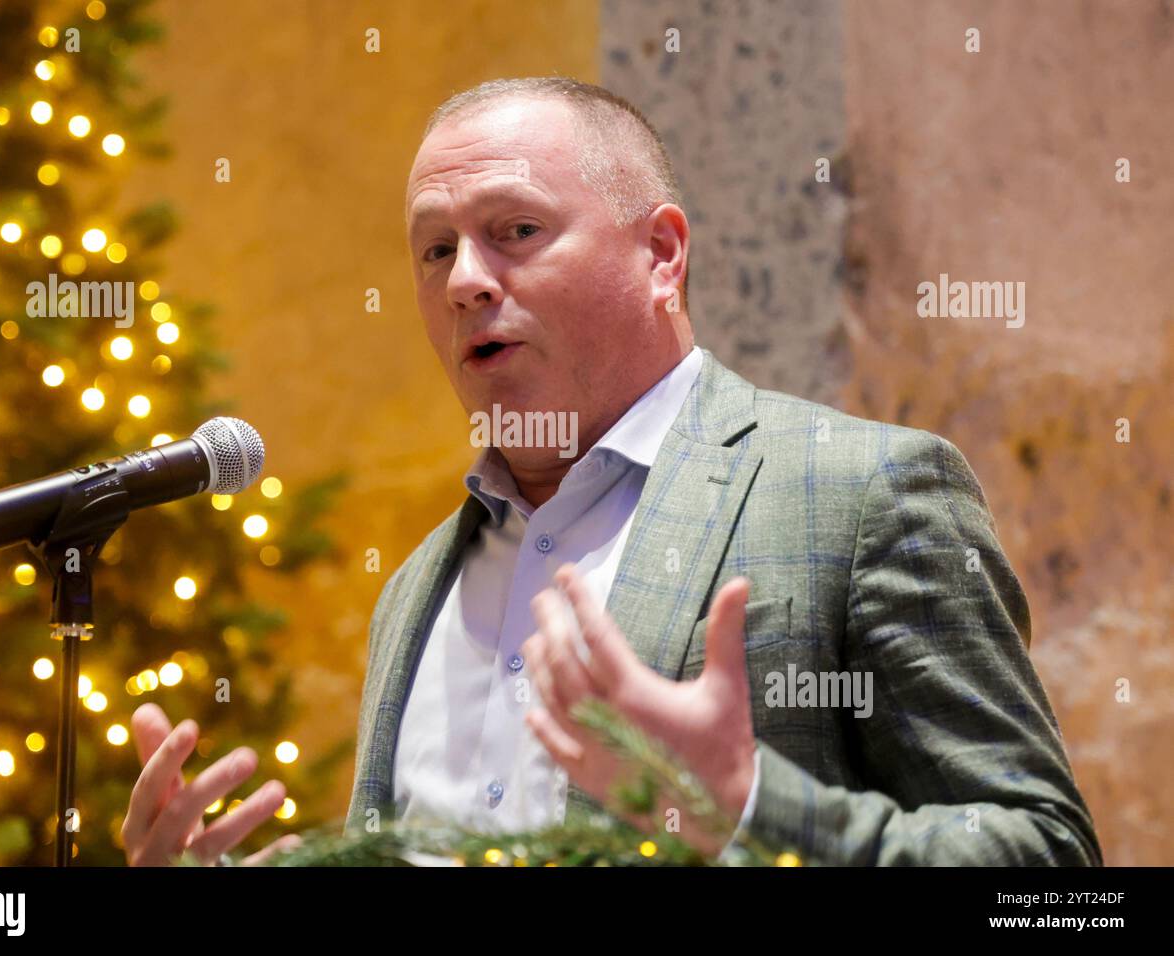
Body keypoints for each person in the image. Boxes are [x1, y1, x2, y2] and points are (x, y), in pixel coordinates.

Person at [122, 77, 1102, 866]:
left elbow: (1047, 869)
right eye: (434, 248)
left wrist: (750, 807)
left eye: (515, 230)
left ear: (661, 254)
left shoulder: (861, 491)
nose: (463, 279)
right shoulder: (415, 588)